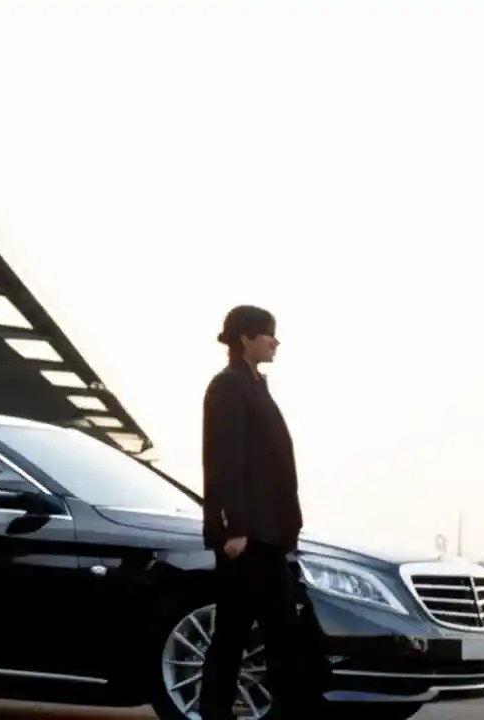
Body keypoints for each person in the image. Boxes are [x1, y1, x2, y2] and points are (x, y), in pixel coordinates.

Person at [198, 305, 314, 719]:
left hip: (268, 535)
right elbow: (223, 460)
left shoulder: (253, 385)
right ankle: (215, 711)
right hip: (246, 538)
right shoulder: (228, 386)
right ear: (246, 337)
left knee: (276, 633)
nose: (275, 341)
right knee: (236, 634)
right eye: (268, 334)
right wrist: (233, 528)